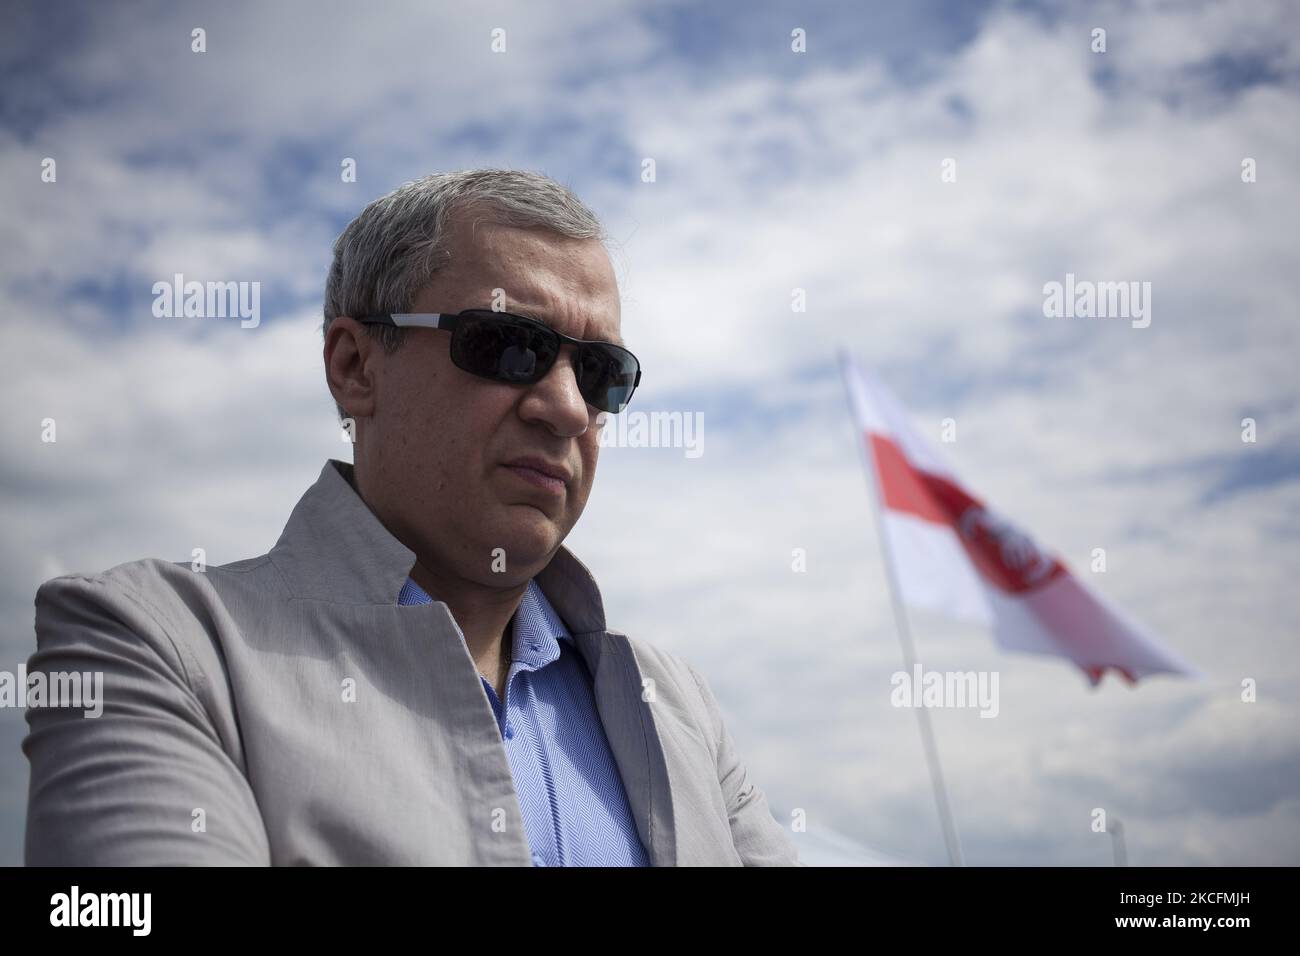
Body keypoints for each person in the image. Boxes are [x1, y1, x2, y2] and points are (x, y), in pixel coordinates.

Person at [22, 168, 801, 866]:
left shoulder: (675, 705)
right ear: (355, 366)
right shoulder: (159, 645)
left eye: (600, 373)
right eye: (508, 346)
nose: (566, 408)